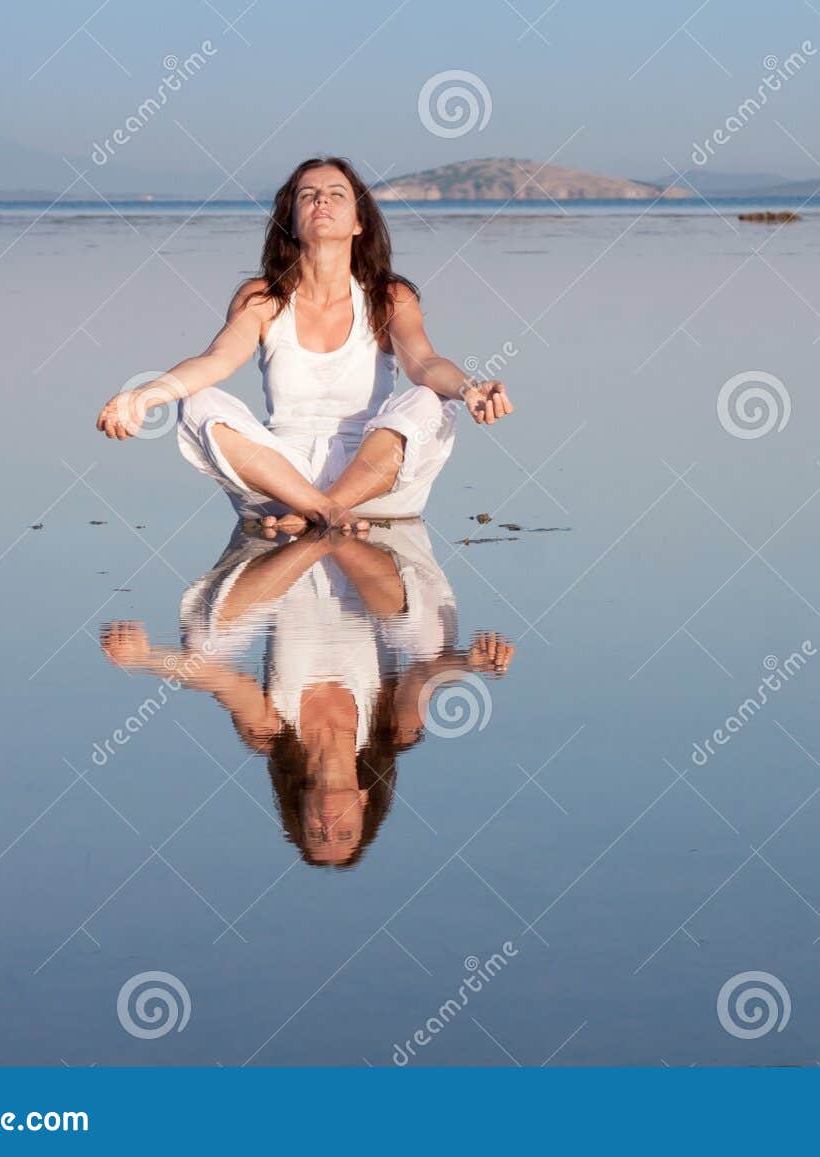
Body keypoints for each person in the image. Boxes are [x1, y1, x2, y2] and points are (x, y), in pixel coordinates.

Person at [94, 156, 513, 534]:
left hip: (376, 481)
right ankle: (323, 510)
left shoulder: (389, 296)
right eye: (307, 195)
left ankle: (315, 512)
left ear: (359, 222)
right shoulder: (263, 298)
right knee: (197, 401)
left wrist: (469, 388)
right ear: (292, 222)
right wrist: (146, 395)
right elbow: (217, 360)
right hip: (280, 480)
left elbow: (424, 362)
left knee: (430, 399)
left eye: (336, 194)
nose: (321, 200)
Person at [100, 522, 515, 868]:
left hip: (283, 546)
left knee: (205, 643)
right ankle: (332, 532)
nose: (329, 826)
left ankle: (320, 534)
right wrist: (469, 662)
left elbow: (225, 681)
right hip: (375, 540)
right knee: (430, 642)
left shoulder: (270, 735)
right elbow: (425, 674)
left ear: (299, 813)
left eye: (317, 833)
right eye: (344, 833)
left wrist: (147, 658)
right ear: (364, 803)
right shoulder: (393, 732)